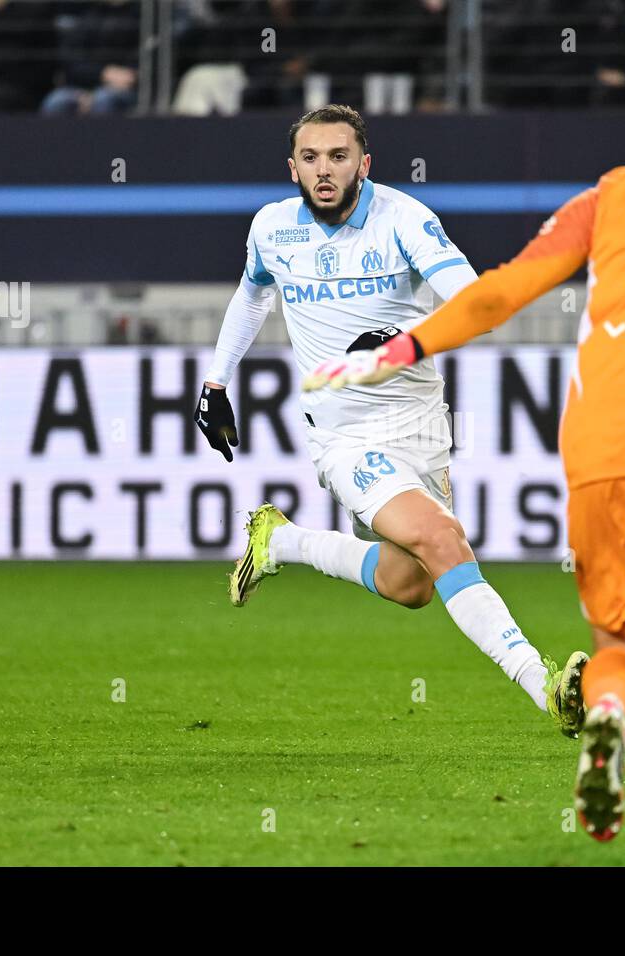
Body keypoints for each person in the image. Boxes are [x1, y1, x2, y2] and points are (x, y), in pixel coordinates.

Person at [305, 42, 625, 844]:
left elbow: (502, 291)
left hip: (601, 449)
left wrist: (399, 350)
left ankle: (608, 714)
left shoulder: (613, 195)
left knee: (621, 642)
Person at [195, 104, 589, 736]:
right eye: (311, 158)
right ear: (292, 167)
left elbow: (476, 304)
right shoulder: (272, 228)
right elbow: (252, 293)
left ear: (364, 163)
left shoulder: (404, 220)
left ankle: (282, 541)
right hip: (344, 435)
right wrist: (215, 383)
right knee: (441, 540)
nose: (324, 170)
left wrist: (400, 336)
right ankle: (541, 683)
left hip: (421, 428)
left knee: (411, 583)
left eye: (339, 156)